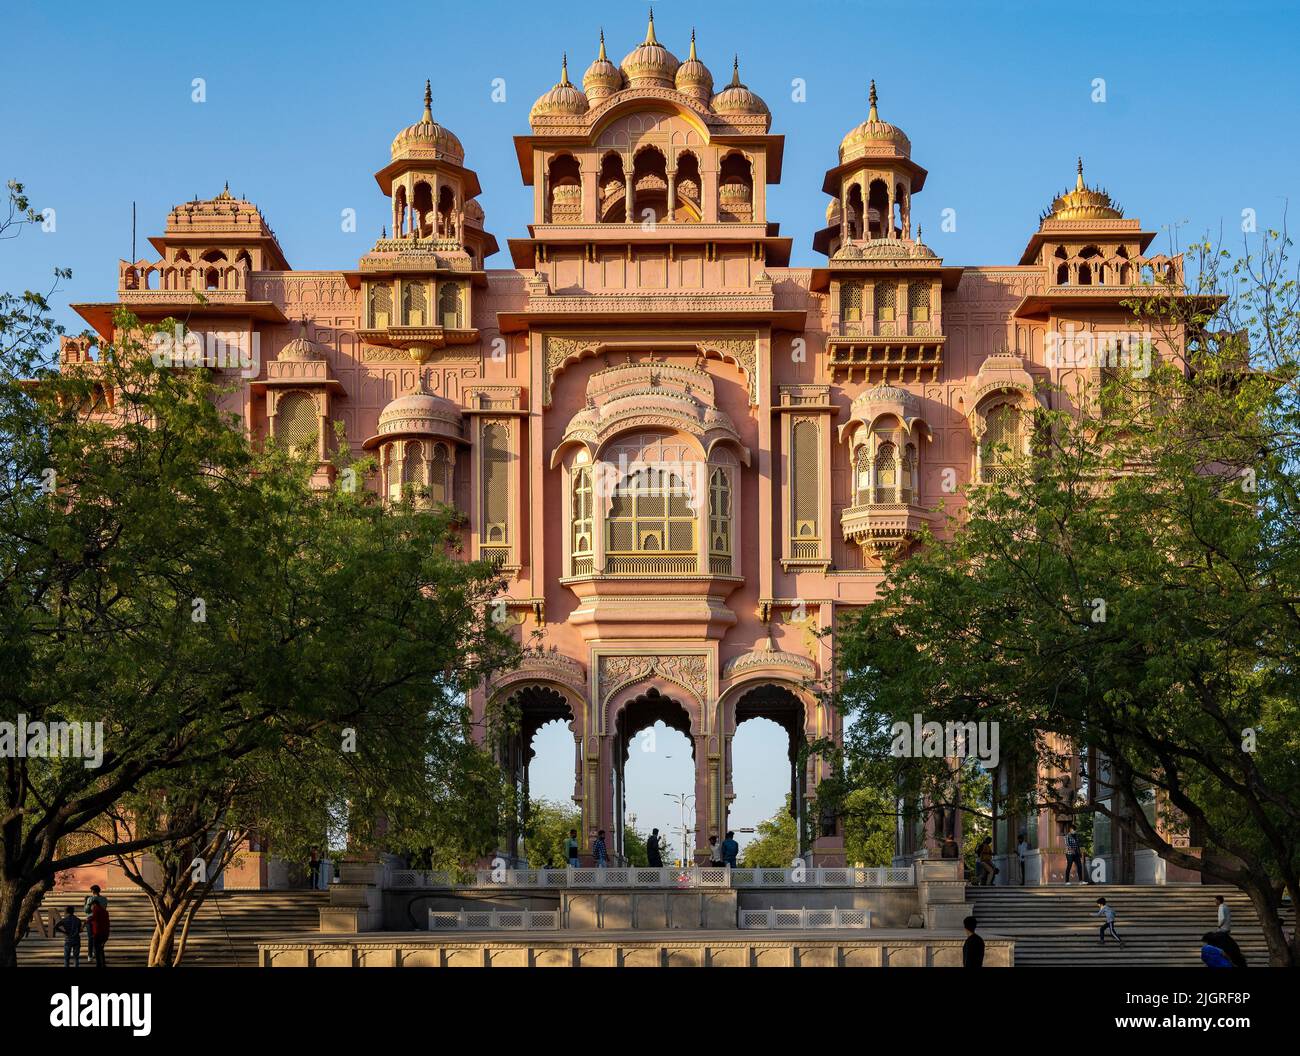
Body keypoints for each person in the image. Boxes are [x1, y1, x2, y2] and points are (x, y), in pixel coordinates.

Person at [82, 886, 107, 960]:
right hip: (100, 920)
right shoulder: (104, 899)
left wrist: (85, 902)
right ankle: (96, 952)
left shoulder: (90, 899)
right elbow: (104, 908)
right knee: (98, 937)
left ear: (93, 891)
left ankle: (90, 955)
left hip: (91, 919)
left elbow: (86, 910)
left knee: (90, 937)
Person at [88, 898, 110, 967]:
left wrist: (86, 921)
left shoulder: (96, 909)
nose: (90, 907)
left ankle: (99, 964)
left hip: (98, 933)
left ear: (94, 904)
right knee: (101, 949)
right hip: (105, 933)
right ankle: (103, 964)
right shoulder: (105, 911)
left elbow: (94, 917)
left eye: (90, 906)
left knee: (97, 950)